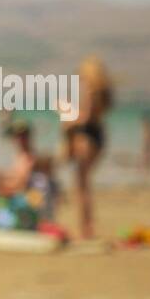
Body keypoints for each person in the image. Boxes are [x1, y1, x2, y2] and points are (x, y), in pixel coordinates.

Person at [61, 55, 114, 239]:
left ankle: (86, 229)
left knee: (81, 186)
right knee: (84, 184)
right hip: (97, 135)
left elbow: (85, 118)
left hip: (87, 137)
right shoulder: (102, 94)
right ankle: (87, 228)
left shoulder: (90, 91)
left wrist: (66, 114)